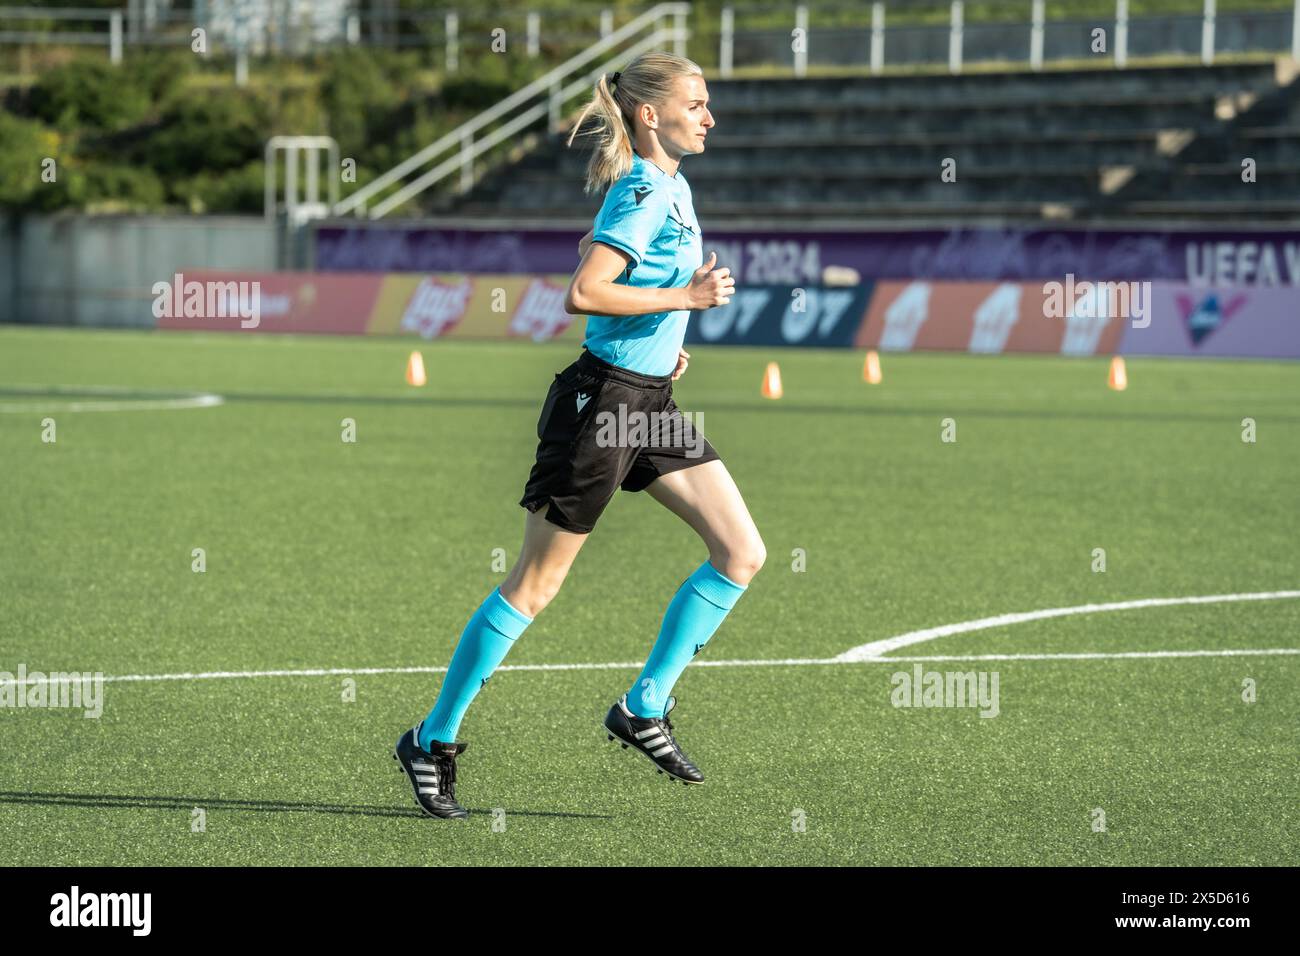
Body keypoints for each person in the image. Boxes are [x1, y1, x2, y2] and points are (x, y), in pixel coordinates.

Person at [393, 51, 765, 819]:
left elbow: (620, 297)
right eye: (696, 104)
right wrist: (686, 294)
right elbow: (584, 290)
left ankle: (643, 707)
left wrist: (668, 331)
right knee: (536, 585)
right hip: (601, 408)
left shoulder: (672, 185)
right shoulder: (640, 190)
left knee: (741, 552)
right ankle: (431, 739)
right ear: (650, 115)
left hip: (648, 398)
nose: (710, 116)